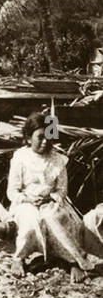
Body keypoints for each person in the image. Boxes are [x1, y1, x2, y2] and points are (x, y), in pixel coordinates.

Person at [6, 112, 96, 281]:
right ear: (27, 138)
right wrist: (28, 199)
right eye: (40, 137)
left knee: (54, 218)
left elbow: (62, 190)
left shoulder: (58, 160)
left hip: (52, 201)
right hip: (26, 201)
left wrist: (51, 198)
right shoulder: (20, 158)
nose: (45, 141)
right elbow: (12, 191)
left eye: (48, 136)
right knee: (30, 220)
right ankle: (19, 258)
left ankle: (73, 261)